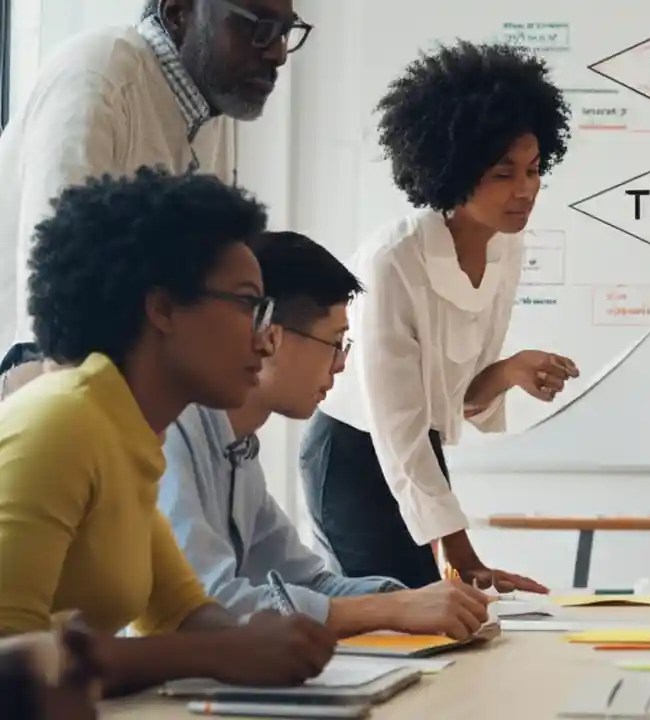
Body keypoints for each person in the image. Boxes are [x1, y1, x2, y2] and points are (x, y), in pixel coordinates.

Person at [0, 168, 336, 695]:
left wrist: (281, 645)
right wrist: (226, 650)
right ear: (162, 309)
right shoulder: (63, 423)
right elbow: (9, 659)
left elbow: (182, 614)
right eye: (250, 306)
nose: (265, 341)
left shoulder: (127, 434)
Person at [303, 41, 579, 590]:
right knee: (402, 612)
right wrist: (465, 557)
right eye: (504, 174)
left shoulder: (506, 245)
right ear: (453, 169)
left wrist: (509, 371)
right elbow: (397, 429)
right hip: (355, 456)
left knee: (441, 611)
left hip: (417, 449)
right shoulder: (392, 264)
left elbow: (453, 403)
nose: (525, 190)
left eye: (533, 169)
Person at [160, 231, 494, 640]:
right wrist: (390, 608)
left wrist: (430, 600)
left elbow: (310, 584)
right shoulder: (169, 435)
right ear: (270, 334)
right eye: (335, 343)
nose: (340, 365)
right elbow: (207, 607)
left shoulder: (240, 449)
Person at [0, 0, 312, 346]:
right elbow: (50, 300)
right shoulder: (97, 79)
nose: (278, 54)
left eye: (284, 32)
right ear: (178, 13)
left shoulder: (209, 110)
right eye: (258, 27)